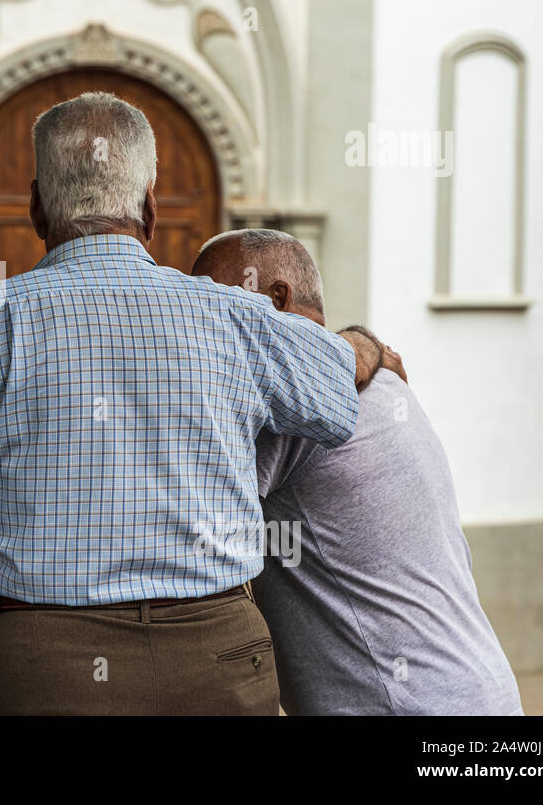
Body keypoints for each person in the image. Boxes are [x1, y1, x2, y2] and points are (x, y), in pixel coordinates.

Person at [0, 91, 386, 715]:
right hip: (218, 660)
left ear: (36, 207)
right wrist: (362, 342)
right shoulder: (236, 314)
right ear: (151, 208)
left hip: (49, 666)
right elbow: (338, 394)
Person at [191, 229, 522, 715]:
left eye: (215, 303)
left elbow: (182, 505)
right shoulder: (385, 383)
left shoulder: (290, 411)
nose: (202, 327)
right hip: (477, 690)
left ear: (275, 297)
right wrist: (363, 342)